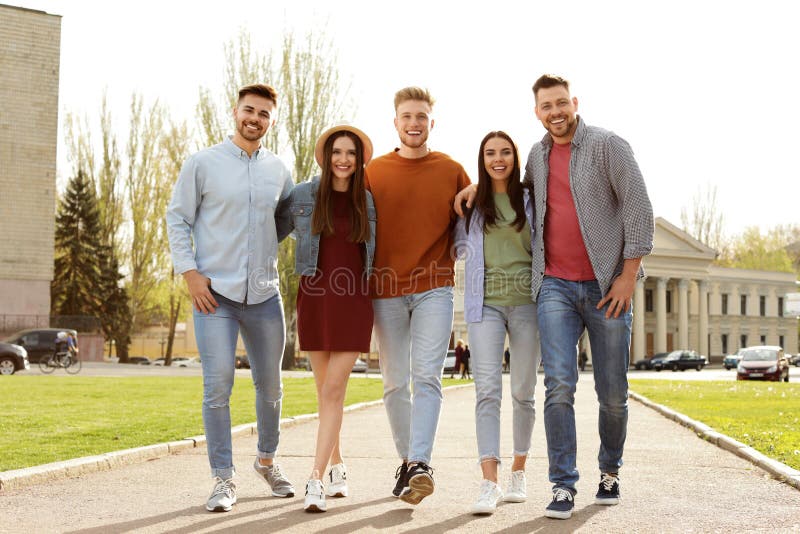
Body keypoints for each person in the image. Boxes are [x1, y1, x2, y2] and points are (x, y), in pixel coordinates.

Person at [456, 74, 654, 520]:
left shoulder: (609, 146)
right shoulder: (537, 155)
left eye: (561, 103)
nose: (555, 112)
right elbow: (513, 195)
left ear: (574, 103)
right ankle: (563, 484)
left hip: (607, 288)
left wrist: (627, 277)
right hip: (553, 286)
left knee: (612, 393)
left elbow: (639, 209)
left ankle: (609, 471)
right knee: (558, 385)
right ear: (537, 112)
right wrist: (474, 186)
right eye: (547, 107)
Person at [166, 83, 295, 513]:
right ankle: (223, 478)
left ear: (271, 121)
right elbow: (178, 217)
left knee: (271, 387)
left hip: (264, 295)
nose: (254, 118)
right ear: (235, 111)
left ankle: (266, 460)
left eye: (263, 114)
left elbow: (284, 220)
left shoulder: (279, 170)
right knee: (217, 384)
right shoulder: (203, 163)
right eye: (248, 110)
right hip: (213, 296)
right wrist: (190, 273)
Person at [367, 86, 471, 505]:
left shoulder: (451, 170)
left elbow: (481, 207)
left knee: (427, 378)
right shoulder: (374, 171)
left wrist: (480, 187)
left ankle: (420, 464)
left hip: (434, 289)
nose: (414, 123)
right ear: (396, 122)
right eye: (407, 116)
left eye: (422, 116)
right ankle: (409, 464)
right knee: (394, 382)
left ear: (432, 122)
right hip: (385, 291)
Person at [277, 124, 376, 513]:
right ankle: (337, 465)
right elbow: (271, 230)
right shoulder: (303, 195)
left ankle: (315, 478)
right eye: (337, 151)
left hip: (354, 302)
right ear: (326, 155)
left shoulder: (367, 201)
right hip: (315, 299)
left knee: (333, 391)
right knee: (326, 395)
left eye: (351, 153)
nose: (343, 159)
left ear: (359, 158)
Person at [454, 131, 540, 515]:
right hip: (484, 305)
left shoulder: (530, 200)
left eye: (505, 152)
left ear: (515, 157)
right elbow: (454, 247)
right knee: (487, 392)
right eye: (490, 153)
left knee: (523, 391)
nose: (498, 158)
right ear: (482, 159)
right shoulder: (472, 204)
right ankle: (489, 481)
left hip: (528, 305)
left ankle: (519, 472)